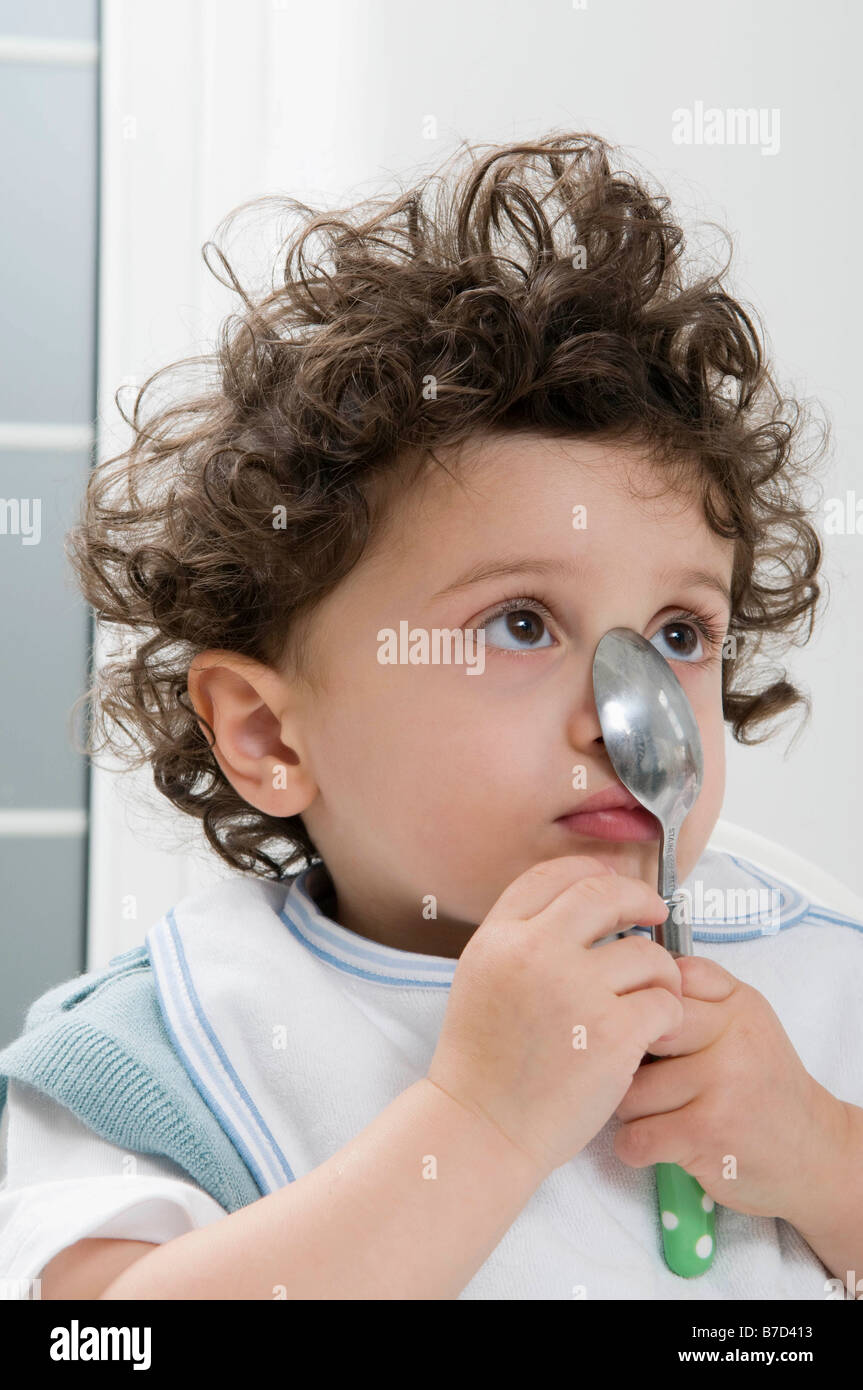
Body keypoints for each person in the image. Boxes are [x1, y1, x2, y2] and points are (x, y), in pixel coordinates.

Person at [2, 131, 862, 1301]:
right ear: (267, 735)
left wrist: (818, 1156)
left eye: (674, 634)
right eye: (517, 624)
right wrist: (479, 1124)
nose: (625, 711)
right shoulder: (168, 1048)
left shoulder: (813, 972)